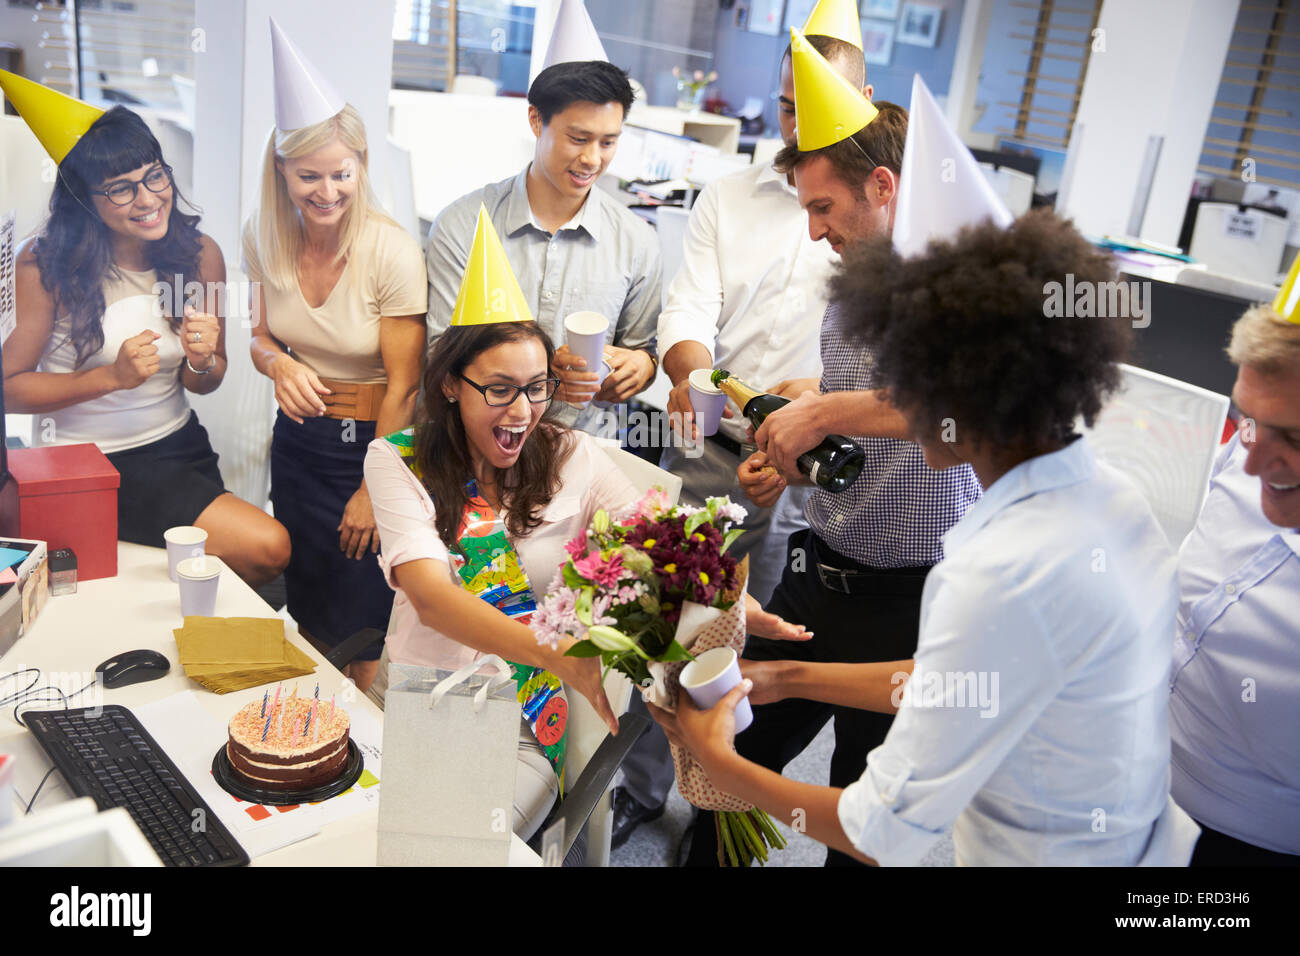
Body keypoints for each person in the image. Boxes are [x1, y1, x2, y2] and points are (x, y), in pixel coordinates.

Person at [654, 211, 1200, 866]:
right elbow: (963, 681)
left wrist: (715, 758)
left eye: (903, 383)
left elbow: (875, 831)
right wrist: (785, 678)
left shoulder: (998, 571)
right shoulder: (1112, 498)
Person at [683, 37, 981, 867]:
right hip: (820, 574)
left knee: (866, 812)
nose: (814, 233)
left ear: (882, 187)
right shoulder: (854, 283)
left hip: (913, 598)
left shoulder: (955, 289)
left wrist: (826, 410)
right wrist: (794, 437)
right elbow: (855, 396)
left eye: (823, 210)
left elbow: (954, 421)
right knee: (730, 760)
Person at [612, 31, 871, 850]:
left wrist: (798, 444)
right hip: (711, 445)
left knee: (759, 650)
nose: (800, 129)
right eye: (791, 107)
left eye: (819, 109)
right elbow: (689, 311)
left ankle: (725, 816)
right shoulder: (730, 196)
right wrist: (688, 376)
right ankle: (649, 788)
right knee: (678, 624)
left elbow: (862, 380)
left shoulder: (870, 220)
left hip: (811, 470)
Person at [2, 77, 289, 587]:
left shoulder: (200, 255)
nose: (149, 198)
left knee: (263, 554)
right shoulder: (42, 263)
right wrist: (110, 378)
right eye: (121, 188)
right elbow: (9, 388)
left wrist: (203, 361)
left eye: (154, 176)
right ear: (83, 199)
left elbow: (207, 379)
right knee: (249, 553)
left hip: (176, 448)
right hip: (83, 463)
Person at [244, 21, 426, 691]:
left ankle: (374, 771)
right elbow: (259, 337)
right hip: (297, 444)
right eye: (308, 177)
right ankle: (313, 753)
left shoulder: (392, 252)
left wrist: (376, 487)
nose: (326, 192)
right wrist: (277, 363)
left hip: (371, 448)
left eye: (341, 174)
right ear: (282, 172)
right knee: (312, 610)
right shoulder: (261, 236)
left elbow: (406, 386)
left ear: (362, 168)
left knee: (367, 633)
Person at [425, 59, 660, 434]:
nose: (592, 159)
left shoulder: (636, 241)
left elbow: (642, 348)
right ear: (536, 120)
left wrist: (640, 368)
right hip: (474, 448)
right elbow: (440, 353)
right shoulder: (463, 225)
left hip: (583, 453)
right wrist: (544, 375)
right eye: (578, 139)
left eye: (608, 142)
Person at [1169, 266, 1300, 866]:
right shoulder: (1253, 447)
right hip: (1136, 790)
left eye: (1294, 439)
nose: (1251, 468)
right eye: (1249, 420)